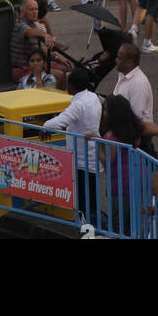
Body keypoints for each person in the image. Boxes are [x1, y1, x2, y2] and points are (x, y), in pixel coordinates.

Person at [43, 68, 102, 218]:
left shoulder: (79, 104)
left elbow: (59, 121)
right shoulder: (93, 97)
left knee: (83, 202)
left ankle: (87, 228)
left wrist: (44, 127)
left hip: (82, 160)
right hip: (92, 157)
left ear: (73, 85)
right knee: (91, 199)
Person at [98, 93, 144, 235]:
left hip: (118, 185)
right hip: (135, 181)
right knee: (133, 224)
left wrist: (97, 147)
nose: (104, 113)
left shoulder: (111, 137)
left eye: (106, 110)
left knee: (118, 226)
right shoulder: (134, 129)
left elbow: (108, 161)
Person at [112, 42, 158, 141]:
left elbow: (135, 116)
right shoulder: (123, 74)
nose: (116, 60)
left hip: (135, 139)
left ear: (129, 62)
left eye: (119, 58)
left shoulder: (138, 84)